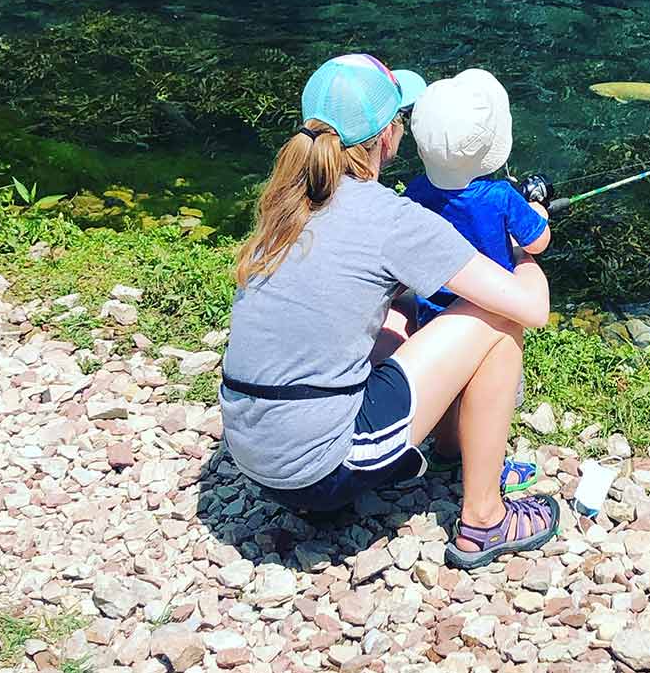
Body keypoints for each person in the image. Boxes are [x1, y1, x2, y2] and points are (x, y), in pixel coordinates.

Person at [219, 53, 560, 570]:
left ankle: (444, 447)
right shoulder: (390, 218)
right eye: (399, 117)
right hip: (320, 467)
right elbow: (532, 308)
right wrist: (516, 252)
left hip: (253, 452)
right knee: (500, 318)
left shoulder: (288, 202)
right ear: (387, 138)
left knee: (399, 308)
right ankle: (486, 519)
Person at [402, 69, 550, 493]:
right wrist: (537, 214)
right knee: (488, 395)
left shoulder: (415, 191)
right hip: (489, 319)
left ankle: (447, 449)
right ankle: (485, 465)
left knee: (450, 386)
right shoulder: (501, 196)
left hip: (433, 317)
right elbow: (538, 243)